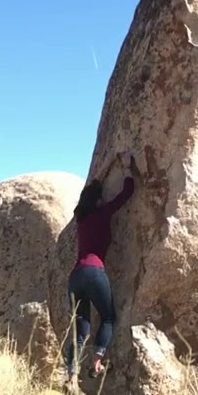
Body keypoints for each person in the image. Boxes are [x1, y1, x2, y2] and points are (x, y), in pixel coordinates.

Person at [65, 150, 139, 383]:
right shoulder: (102, 213)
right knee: (108, 318)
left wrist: (107, 166)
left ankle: (71, 376)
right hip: (94, 272)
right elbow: (126, 193)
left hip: (75, 277)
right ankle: (97, 362)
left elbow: (92, 188)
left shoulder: (82, 218)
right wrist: (126, 167)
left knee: (81, 329)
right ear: (98, 200)